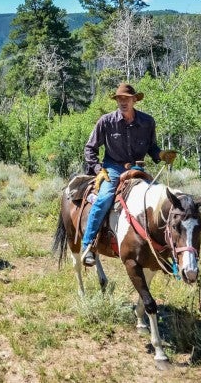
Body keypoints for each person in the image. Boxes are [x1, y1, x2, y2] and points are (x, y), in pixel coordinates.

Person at [81, 83, 176, 267]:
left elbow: (152, 148)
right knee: (104, 199)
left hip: (137, 168)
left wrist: (161, 155)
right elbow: (90, 148)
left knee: (158, 198)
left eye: (126, 98)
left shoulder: (148, 122)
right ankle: (88, 246)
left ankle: (162, 247)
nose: (123, 102)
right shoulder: (106, 121)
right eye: (119, 99)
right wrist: (97, 169)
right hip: (113, 168)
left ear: (134, 100)